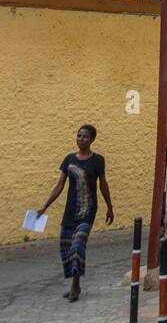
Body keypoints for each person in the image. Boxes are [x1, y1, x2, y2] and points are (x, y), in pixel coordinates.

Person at [37, 125, 113, 302]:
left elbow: (103, 184)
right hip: (70, 211)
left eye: (85, 137)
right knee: (66, 249)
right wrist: (45, 206)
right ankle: (76, 284)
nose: (81, 139)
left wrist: (110, 206)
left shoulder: (98, 160)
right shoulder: (69, 159)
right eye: (79, 136)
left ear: (92, 139)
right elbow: (59, 185)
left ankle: (74, 286)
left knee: (77, 246)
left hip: (88, 211)